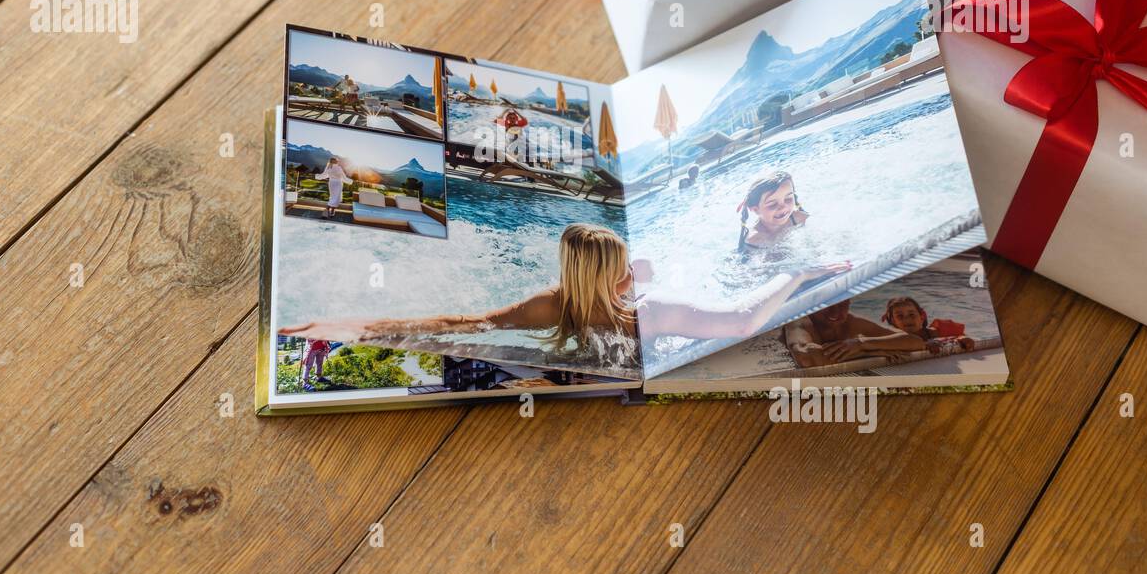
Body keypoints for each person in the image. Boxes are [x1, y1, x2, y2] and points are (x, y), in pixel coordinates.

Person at [279, 223, 851, 364]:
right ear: (602, 280)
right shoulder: (550, 306)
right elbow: (458, 323)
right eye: (624, 269)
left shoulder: (648, 309)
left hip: (696, 287)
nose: (630, 277)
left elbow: (742, 318)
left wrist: (797, 274)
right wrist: (349, 325)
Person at [782, 299, 927, 365]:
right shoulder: (798, 320)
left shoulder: (851, 322)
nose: (836, 312)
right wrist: (868, 352)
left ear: (849, 302)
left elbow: (915, 342)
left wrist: (861, 343)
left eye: (842, 304)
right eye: (828, 305)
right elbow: (805, 357)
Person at [737, 170, 809, 252]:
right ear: (756, 210)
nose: (783, 207)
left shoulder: (798, 218)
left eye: (788, 199)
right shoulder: (754, 240)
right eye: (772, 204)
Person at [881, 296, 976, 353]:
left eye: (911, 314)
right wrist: (924, 345)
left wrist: (961, 339)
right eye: (900, 316)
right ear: (893, 322)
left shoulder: (937, 331)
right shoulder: (893, 338)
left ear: (922, 317)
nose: (907, 319)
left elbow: (958, 336)